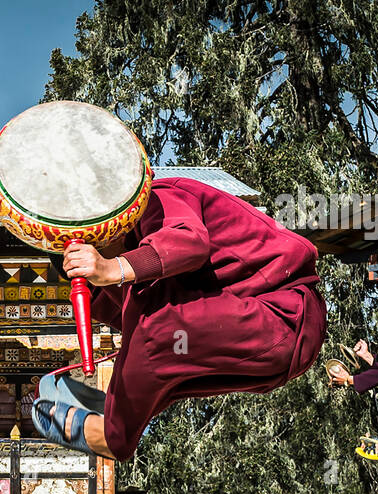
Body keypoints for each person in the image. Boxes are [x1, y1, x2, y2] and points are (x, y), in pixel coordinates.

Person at [32, 177, 327, 459]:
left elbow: (189, 243)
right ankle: (116, 411)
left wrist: (112, 268)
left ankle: (112, 434)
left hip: (284, 315)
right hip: (259, 349)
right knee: (165, 351)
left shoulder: (159, 197)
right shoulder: (130, 280)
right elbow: (133, 319)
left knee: (160, 326)